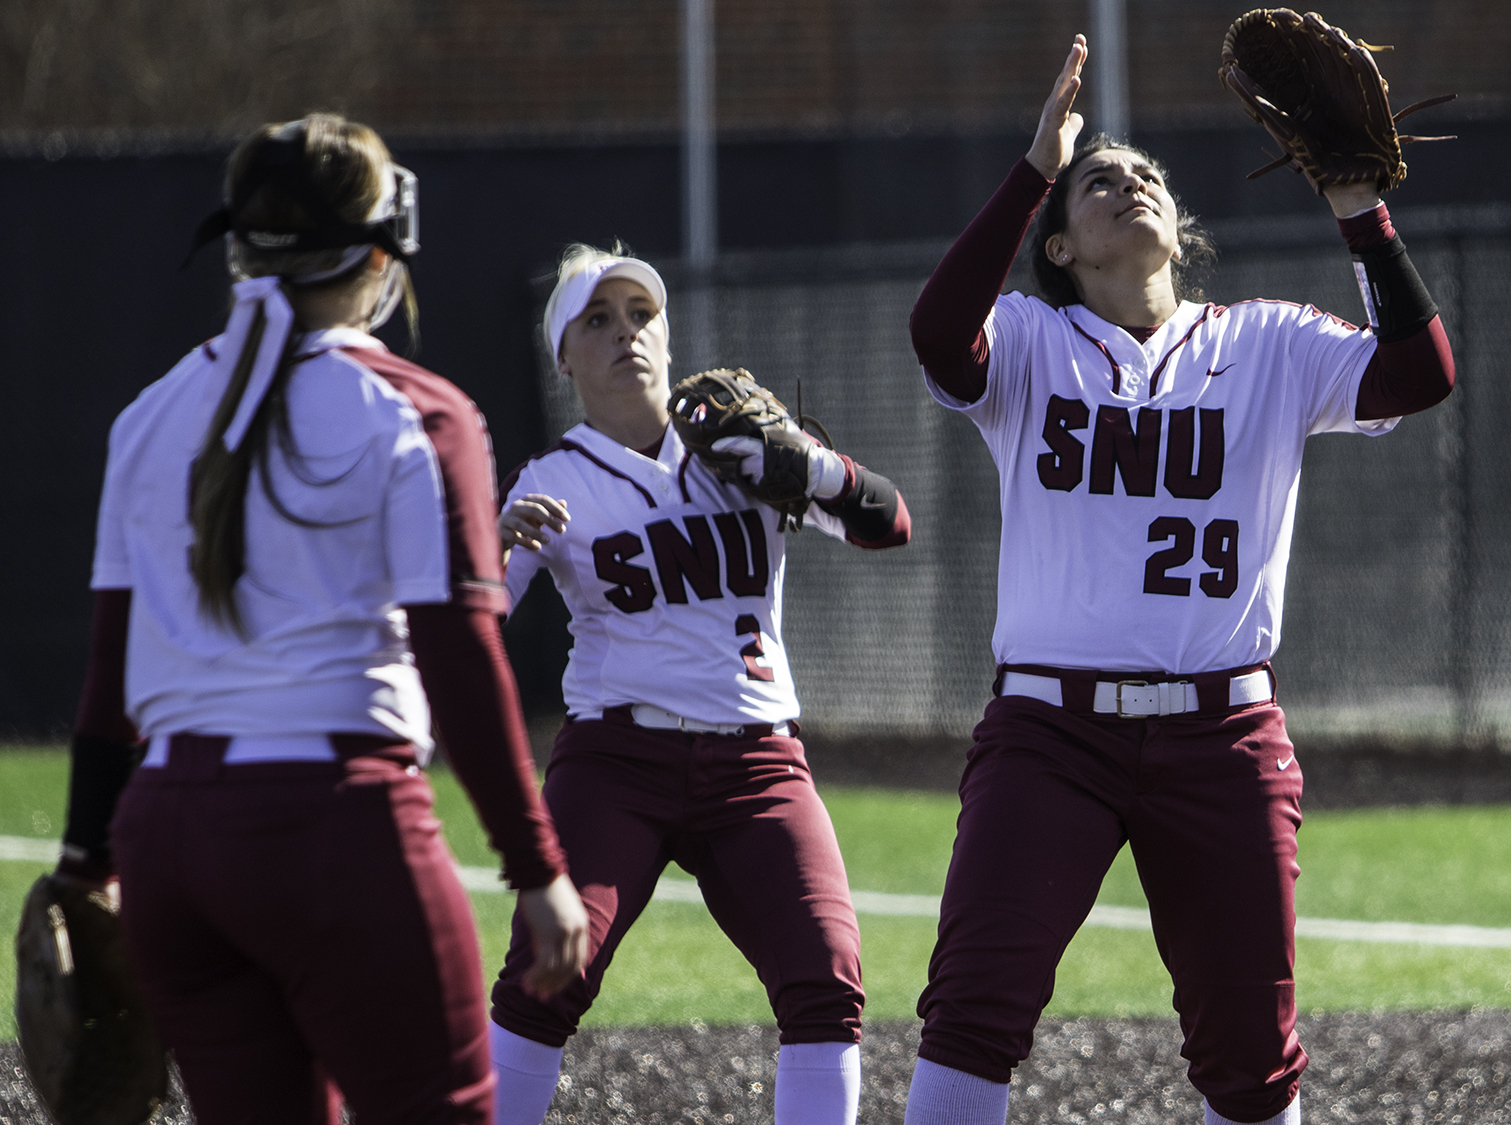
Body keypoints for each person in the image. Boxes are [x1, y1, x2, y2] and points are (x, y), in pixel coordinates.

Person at [900, 35, 1456, 1125]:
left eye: (1143, 174)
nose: (1127, 182)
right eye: (1096, 181)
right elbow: (937, 334)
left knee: (1250, 1049)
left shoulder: (1267, 342)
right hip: (1048, 734)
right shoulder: (1025, 341)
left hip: (1224, 737)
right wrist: (1031, 168)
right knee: (972, 1010)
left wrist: (1358, 208)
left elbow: (1418, 374)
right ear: (1057, 245)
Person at [59, 113, 591, 1124]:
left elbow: (106, 680)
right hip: (336, 829)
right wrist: (537, 868)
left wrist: (86, 864)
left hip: (169, 841)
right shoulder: (417, 411)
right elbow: (458, 657)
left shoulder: (150, 413)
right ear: (383, 250)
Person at [484, 244, 912, 1125]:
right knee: (545, 972)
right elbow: (474, 619)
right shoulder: (553, 480)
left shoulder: (739, 453)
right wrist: (492, 542)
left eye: (641, 315)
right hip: (617, 761)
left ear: (669, 336)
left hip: (758, 762)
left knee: (827, 976)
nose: (625, 335)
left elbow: (889, 522)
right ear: (563, 355)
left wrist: (804, 459)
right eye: (597, 320)